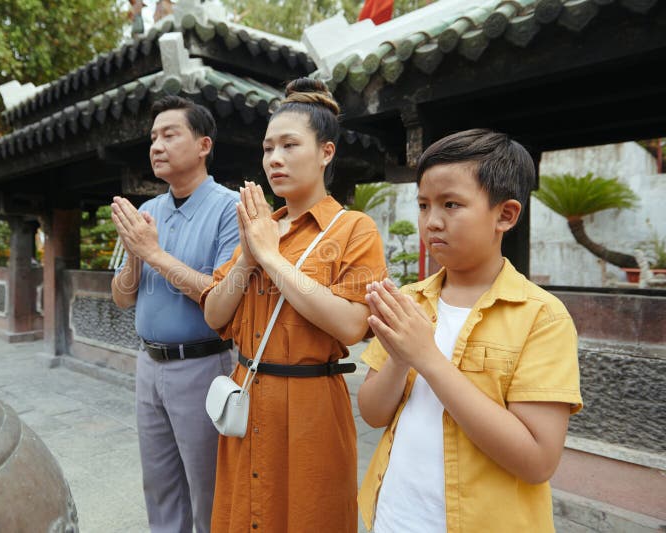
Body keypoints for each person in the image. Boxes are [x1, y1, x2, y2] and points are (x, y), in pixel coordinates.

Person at [357, 129, 583, 532]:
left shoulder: (541, 317)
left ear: (506, 215)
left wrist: (427, 359)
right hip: (393, 516)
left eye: (451, 204)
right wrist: (400, 358)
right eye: (424, 205)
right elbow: (373, 413)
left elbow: (537, 460)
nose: (433, 222)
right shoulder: (411, 300)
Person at [201, 78, 388, 532]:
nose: (274, 159)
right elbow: (214, 315)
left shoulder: (353, 229)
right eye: (268, 149)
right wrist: (249, 254)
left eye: (289, 145)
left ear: (326, 152)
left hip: (311, 407)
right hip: (247, 394)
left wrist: (270, 256)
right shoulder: (260, 227)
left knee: (310, 515)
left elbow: (350, 325)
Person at [110, 95, 239, 533]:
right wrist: (134, 258)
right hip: (148, 364)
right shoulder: (146, 213)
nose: (156, 146)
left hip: (203, 364)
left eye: (169, 134)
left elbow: (222, 293)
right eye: (152, 138)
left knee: (208, 488)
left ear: (203, 145)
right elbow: (123, 297)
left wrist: (154, 252)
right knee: (160, 485)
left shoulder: (230, 209)